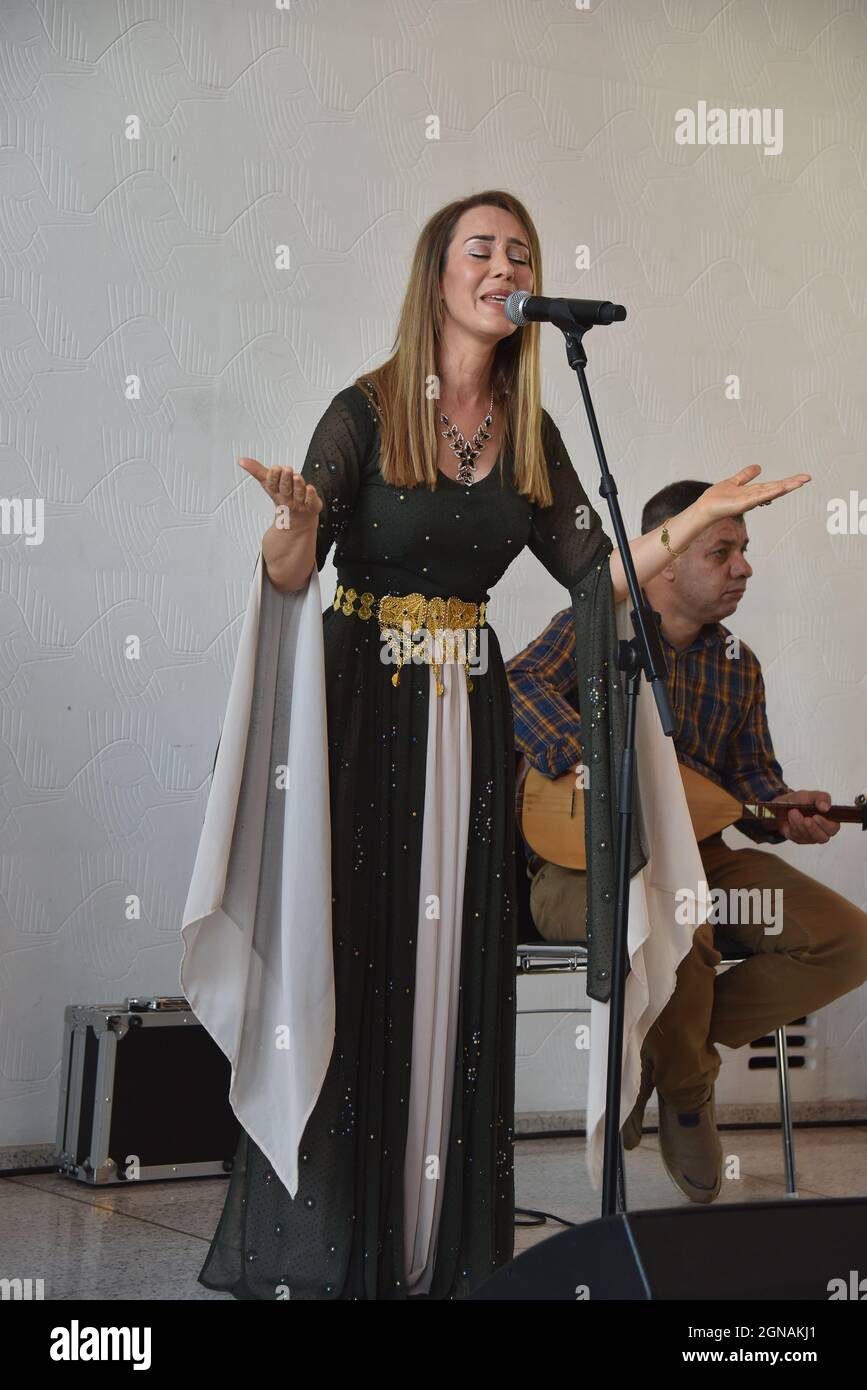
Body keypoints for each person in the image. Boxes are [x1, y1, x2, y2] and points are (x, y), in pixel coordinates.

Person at [182, 190, 809, 1300]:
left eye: (519, 251)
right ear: (437, 274)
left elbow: (592, 574)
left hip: (466, 711)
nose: (502, 265)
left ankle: (441, 1245)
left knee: (450, 977)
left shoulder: (529, 427)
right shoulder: (368, 410)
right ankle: (337, 1247)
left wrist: (686, 515)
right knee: (360, 956)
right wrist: (286, 528)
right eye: (482, 248)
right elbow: (296, 570)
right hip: (366, 710)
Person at [507, 479, 867, 1205]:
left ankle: (673, 1061)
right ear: (664, 560)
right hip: (579, 868)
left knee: (844, 938)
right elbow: (516, 684)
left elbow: (751, 788)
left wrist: (784, 814)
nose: (743, 568)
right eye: (721, 551)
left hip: (703, 858)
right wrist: (597, 765)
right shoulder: (596, 621)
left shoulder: (739, 663)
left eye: (743, 551)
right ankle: (685, 1093)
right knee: (680, 920)